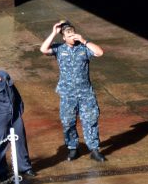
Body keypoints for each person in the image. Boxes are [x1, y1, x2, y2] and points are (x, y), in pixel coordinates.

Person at [39, 20, 106, 163]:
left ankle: (94, 149)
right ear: (63, 37)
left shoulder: (84, 48)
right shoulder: (59, 48)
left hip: (85, 93)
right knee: (68, 121)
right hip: (67, 93)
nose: (72, 37)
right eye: (69, 35)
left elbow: (99, 52)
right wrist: (53, 32)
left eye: (73, 34)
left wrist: (84, 40)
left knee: (90, 120)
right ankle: (72, 148)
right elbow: (43, 49)